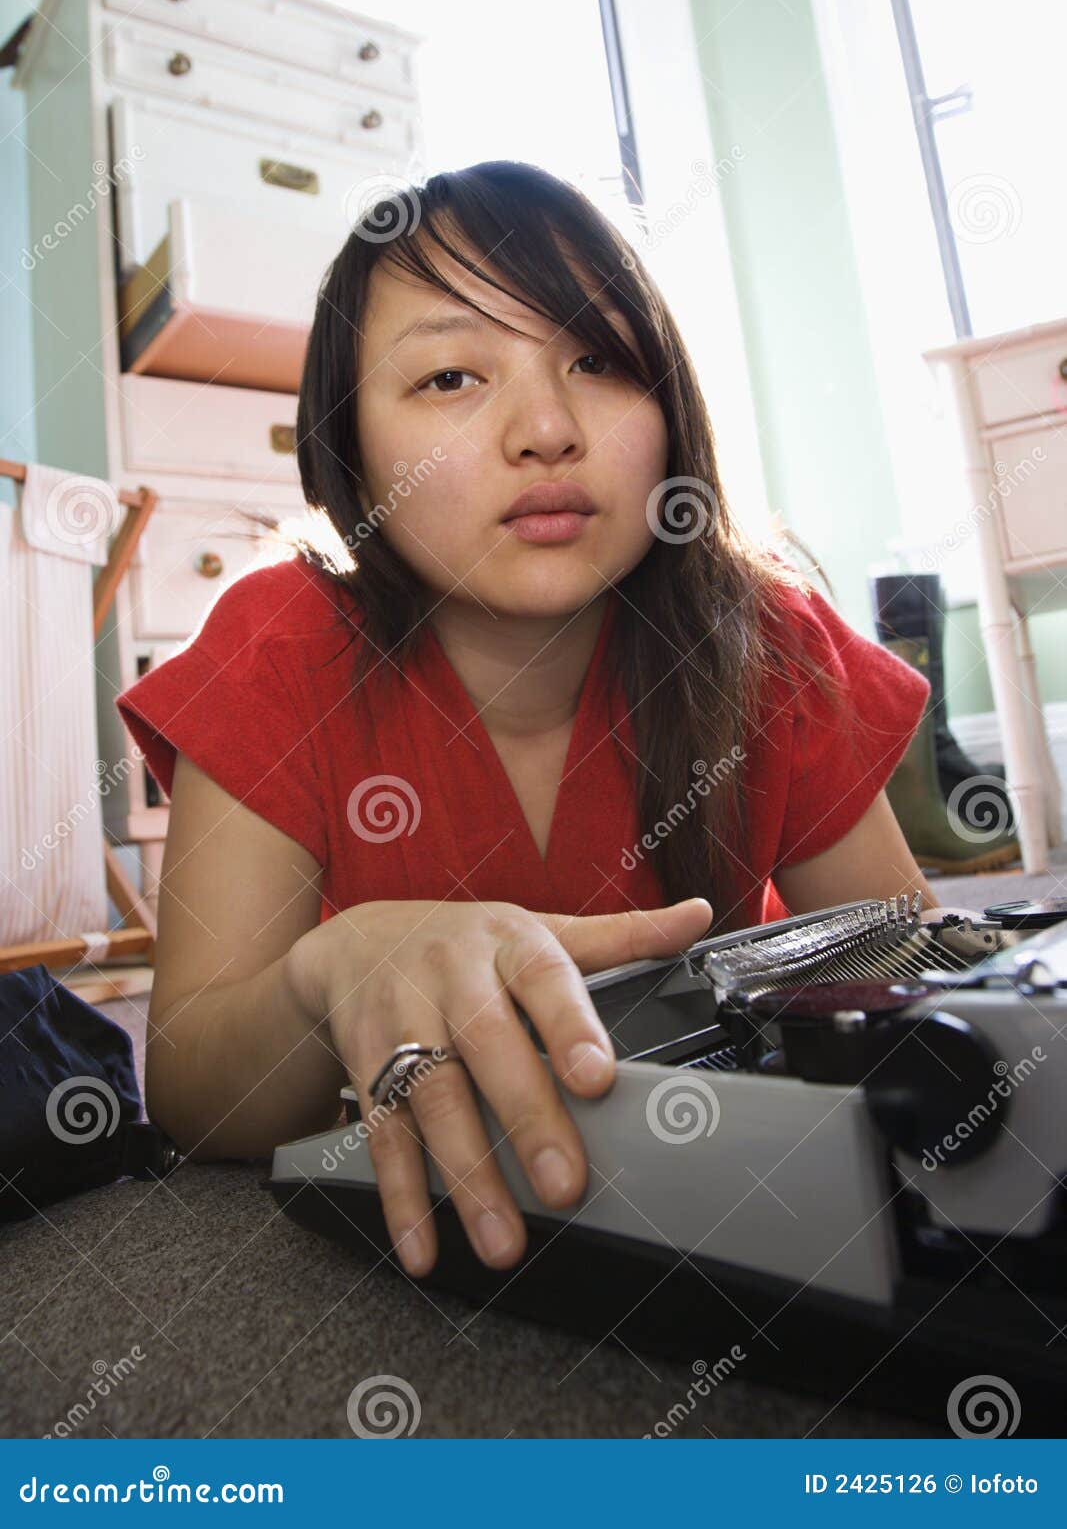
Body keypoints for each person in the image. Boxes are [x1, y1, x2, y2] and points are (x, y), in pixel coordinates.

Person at [115, 160, 935, 1279]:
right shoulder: (280, 652)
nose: (546, 428)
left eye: (598, 360)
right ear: (348, 448)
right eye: (450, 375)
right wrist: (324, 977)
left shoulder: (768, 644)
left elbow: (917, 981)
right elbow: (192, 1094)